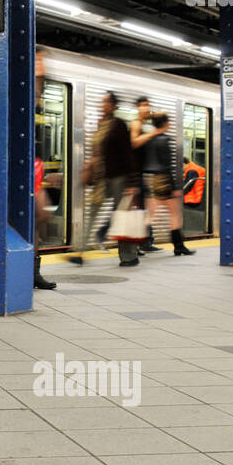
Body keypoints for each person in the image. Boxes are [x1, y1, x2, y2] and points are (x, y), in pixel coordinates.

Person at [71, 91, 139, 266]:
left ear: (114, 105)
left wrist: (132, 182)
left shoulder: (118, 125)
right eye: (102, 102)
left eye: (106, 102)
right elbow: (99, 152)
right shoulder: (102, 125)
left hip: (118, 178)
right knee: (92, 213)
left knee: (121, 216)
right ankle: (80, 252)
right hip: (101, 180)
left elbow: (127, 154)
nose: (103, 105)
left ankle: (129, 256)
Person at [143, 113, 194, 256]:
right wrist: (175, 187)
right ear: (165, 123)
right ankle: (179, 246)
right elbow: (167, 165)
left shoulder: (148, 140)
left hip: (150, 179)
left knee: (150, 214)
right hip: (163, 179)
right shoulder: (166, 140)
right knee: (175, 214)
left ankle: (138, 242)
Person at [33, 49, 56, 289]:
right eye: (38, 60)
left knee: (41, 215)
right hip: (25, 166)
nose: (42, 64)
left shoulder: (40, 95)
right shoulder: (25, 91)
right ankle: (30, 270)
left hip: (37, 166)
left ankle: (33, 270)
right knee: (39, 214)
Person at [130, 96, 161, 253]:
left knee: (148, 207)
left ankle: (145, 241)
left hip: (142, 172)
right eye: (142, 105)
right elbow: (134, 142)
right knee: (141, 209)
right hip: (134, 173)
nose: (145, 108)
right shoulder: (136, 123)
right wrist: (152, 133)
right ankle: (140, 243)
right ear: (137, 108)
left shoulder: (147, 124)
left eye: (147, 105)